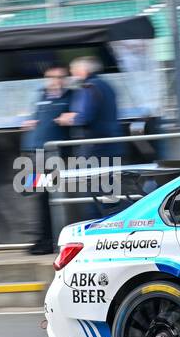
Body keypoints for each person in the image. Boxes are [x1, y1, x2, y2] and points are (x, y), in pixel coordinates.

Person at [57, 57, 122, 211]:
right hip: (111, 144)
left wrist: (68, 118)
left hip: (94, 148)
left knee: (94, 194)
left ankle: (96, 231)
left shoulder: (88, 87)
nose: (71, 73)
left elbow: (84, 117)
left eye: (73, 70)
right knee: (110, 194)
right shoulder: (107, 85)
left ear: (83, 71)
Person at [20, 65, 72, 255]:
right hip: (35, 154)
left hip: (54, 155)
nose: (55, 81)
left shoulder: (69, 97)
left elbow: (74, 118)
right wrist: (30, 122)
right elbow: (35, 117)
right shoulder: (41, 96)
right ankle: (42, 238)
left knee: (49, 197)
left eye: (59, 77)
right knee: (37, 196)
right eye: (51, 77)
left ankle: (48, 240)